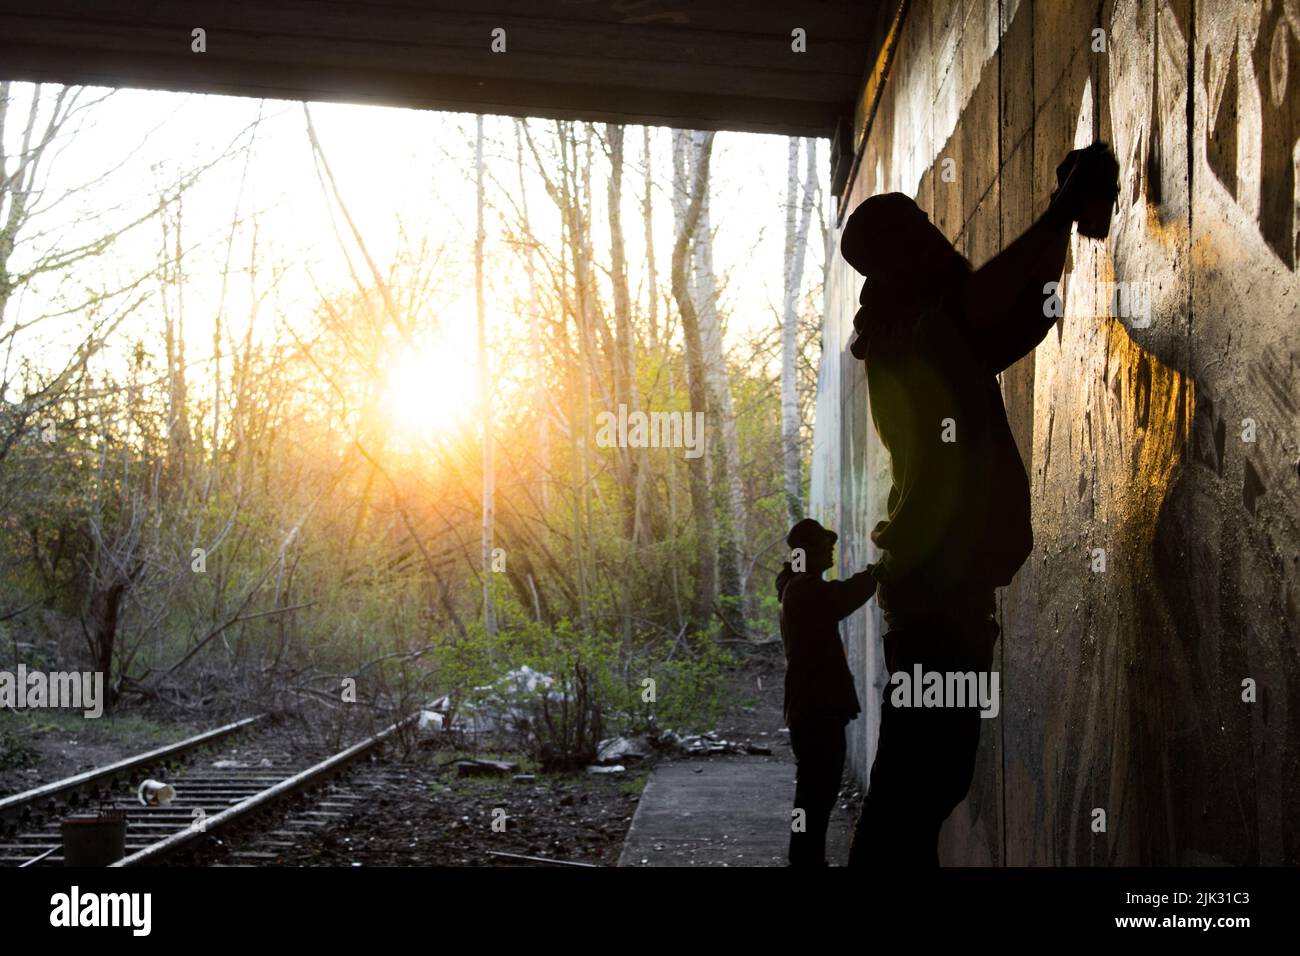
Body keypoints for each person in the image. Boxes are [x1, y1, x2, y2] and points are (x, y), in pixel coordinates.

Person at [840, 143, 1120, 867]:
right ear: (900, 253)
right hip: (935, 603)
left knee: (927, 786)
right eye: (921, 227)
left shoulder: (927, 332)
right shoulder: (908, 334)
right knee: (916, 789)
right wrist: (1063, 205)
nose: (940, 234)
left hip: (947, 603)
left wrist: (1066, 217)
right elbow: (981, 303)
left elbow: (1025, 314)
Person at [775, 517, 876, 866]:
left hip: (811, 708)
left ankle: (805, 860)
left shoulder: (797, 587)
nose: (832, 550)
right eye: (825, 546)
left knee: (814, 794)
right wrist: (878, 573)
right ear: (809, 553)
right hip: (816, 709)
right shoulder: (803, 589)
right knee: (815, 795)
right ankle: (804, 861)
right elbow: (843, 597)